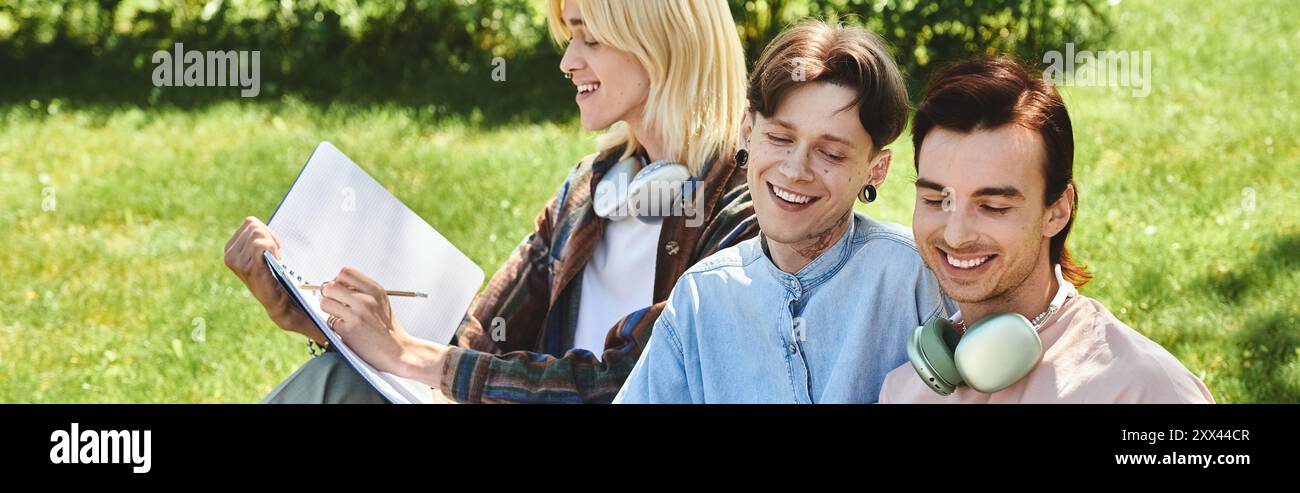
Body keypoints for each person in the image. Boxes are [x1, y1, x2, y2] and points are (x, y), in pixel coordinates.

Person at [224, 0, 758, 403]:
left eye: (590, 40)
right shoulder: (590, 191)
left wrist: (411, 354)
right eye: (570, 38)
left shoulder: (743, 213)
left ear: (662, 45)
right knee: (340, 382)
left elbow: (627, 382)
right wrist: (313, 314)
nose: (569, 61)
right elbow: (476, 339)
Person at [614, 21, 949, 404]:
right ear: (747, 132)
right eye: (779, 138)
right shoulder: (701, 297)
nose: (795, 170)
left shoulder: (917, 279)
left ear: (877, 168)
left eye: (831, 153)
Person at [878, 57, 1214, 403]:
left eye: (993, 207)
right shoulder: (902, 391)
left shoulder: (1145, 389)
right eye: (936, 200)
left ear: (1057, 211)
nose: (956, 235)